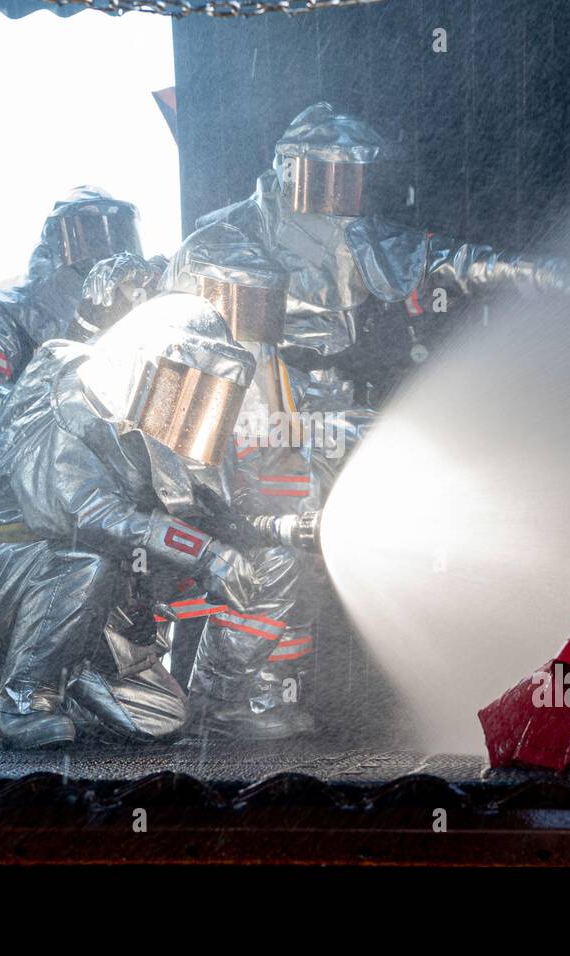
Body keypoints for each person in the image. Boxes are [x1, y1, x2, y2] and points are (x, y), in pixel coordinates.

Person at [0, 292, 303, 748]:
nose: (187, 405)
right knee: (88, 555)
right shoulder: (63, 394)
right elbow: (91, 515)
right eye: (182, 384)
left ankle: (70, 670)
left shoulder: (140, 421)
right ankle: (25, 698)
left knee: (164, 718)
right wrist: (207, 555)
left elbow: (197, 511)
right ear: (147, 361)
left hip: (85, 586)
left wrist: (268, 532)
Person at [199, 102, 570, 407]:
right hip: (240, 412)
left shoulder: (355, 237)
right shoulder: (233, 241)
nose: (350, 191)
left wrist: (546, 274)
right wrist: (304, 418)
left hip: (318, 398)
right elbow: (248, 363)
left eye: (357, 176)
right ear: (295, 170)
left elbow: (450, 258)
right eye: (338, 174)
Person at [160, 222, 372, 738]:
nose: (257, 321)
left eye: (265, 301)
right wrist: (276, 529)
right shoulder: (176, 375)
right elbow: (197, 497)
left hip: (247, 525)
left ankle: (265, 691)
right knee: (269, 569)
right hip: (179, 538)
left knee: (301, 576)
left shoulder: (271, 373)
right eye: (243, 299)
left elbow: (316, 415)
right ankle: (220, 701)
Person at [0, 186, 164, 419]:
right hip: (56, 444)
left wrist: (151, 276)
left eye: (116, 230)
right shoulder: (20, 305)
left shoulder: (149, 284)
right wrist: (32, 412)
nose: (104, 245)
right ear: (58, 238)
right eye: (91, 232)